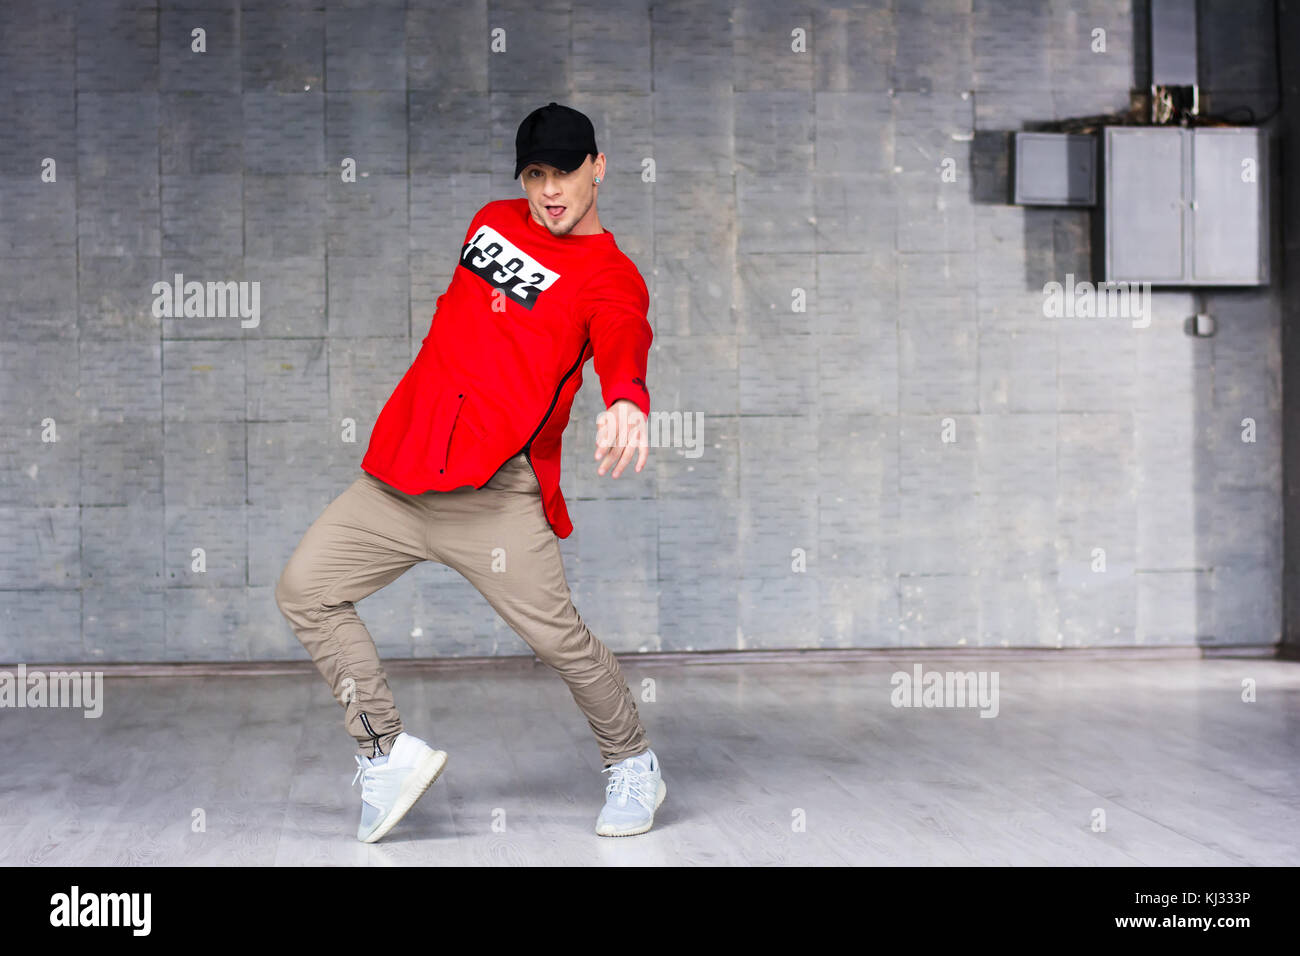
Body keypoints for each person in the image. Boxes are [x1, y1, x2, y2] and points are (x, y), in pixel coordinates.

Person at [274, 102, 665, 843]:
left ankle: (633, 762)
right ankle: (384, 752)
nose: (550, 189)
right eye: (535, 174)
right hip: (401, 474)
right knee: (306, 591)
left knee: (561, 643)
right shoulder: (490, 221)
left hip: (492, 495)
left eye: (565, 172)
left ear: (599, 169)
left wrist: (627, 400)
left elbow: (623, 334)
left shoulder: (609, 276)